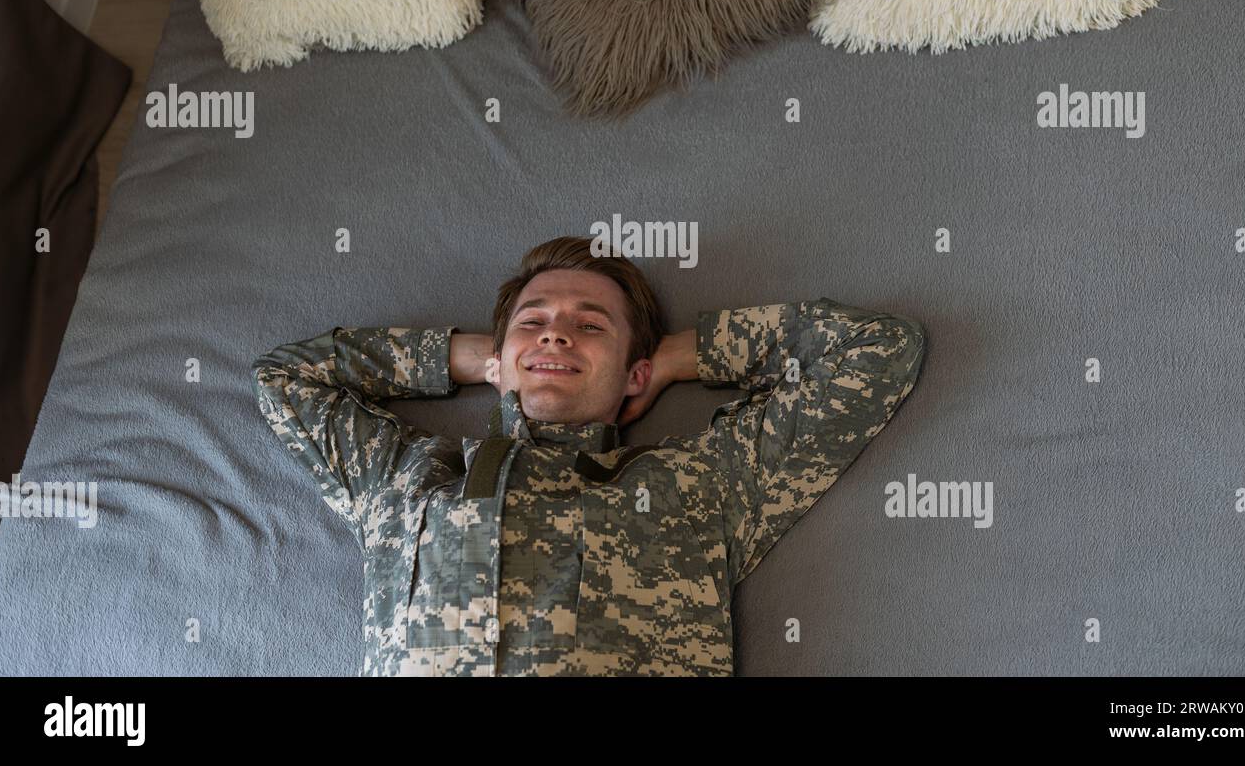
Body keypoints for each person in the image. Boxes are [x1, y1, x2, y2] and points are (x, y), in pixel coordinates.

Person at [251, 236, 927, 675]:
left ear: (633, 373)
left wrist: (676, 359)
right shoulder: (409, 480)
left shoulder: (694, 487)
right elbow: (287, 379)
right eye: (534, 321)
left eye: (590, 326)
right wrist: (468, 358)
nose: (557, 335)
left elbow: (877, 349)